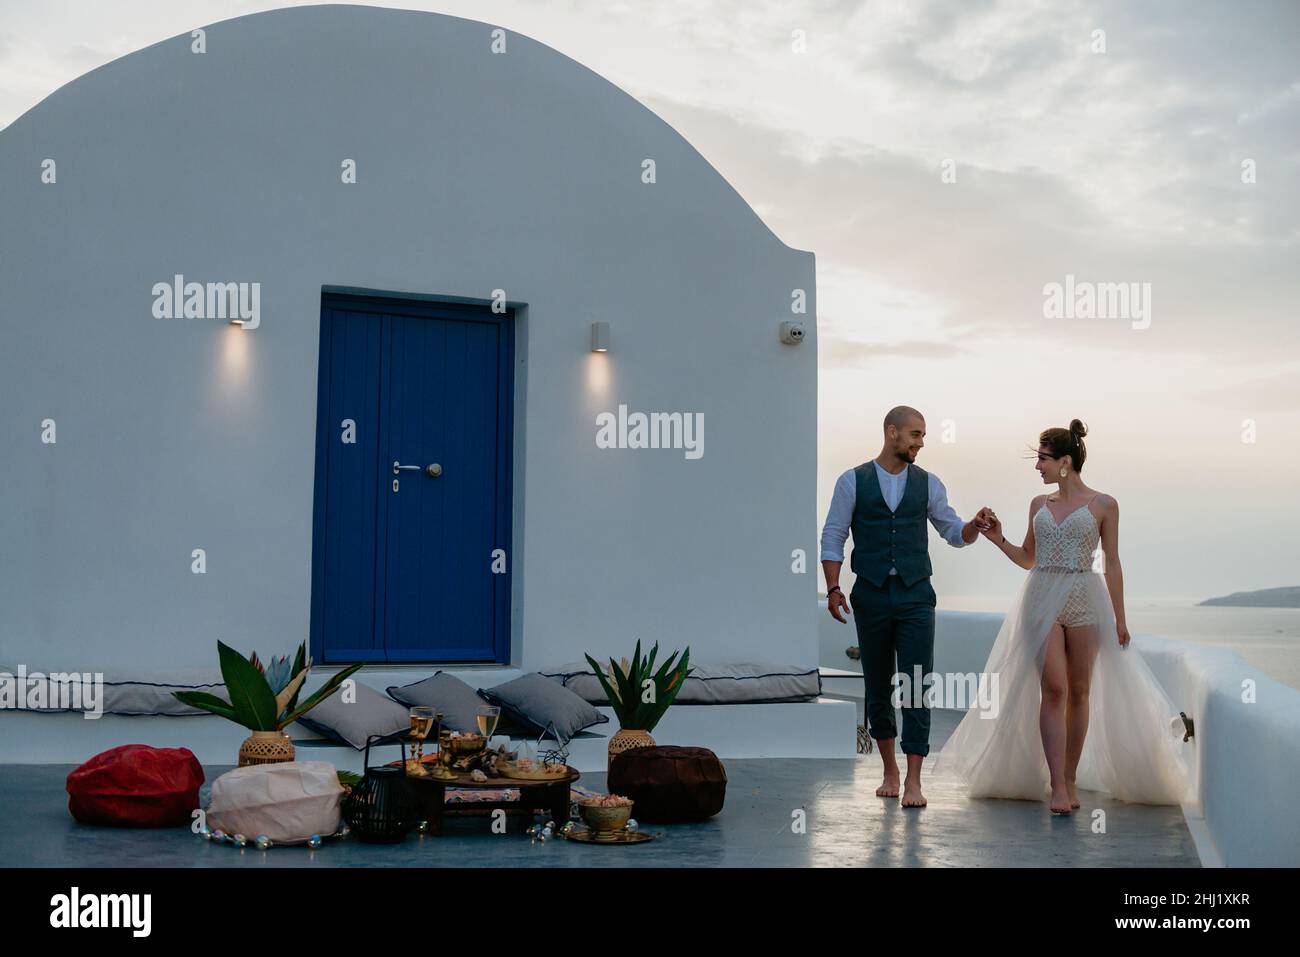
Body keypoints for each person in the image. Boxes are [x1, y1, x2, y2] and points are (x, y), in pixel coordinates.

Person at [938, 419, 1189, 813]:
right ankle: (1056, 785)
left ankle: (1070, 778)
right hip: (1041, 596)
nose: (1037, 467)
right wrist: (998, 538)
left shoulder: (1105, 504)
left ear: (1065, 462)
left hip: (1085, 596)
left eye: (1042, 459)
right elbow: (1028, 559)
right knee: (1053, 688)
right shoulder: (1039, 505)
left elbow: (1113, 564)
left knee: (1080, 691)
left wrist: (1120, 620)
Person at [821, 406, 990, 808]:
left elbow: (952, 531)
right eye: (915, 434)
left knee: (916, 682)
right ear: (891, 432)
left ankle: (914, 779)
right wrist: (833, 587)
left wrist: (974, 525)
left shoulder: (928, 484)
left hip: (916, 595)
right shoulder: (852, 481)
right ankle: (889, 771)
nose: (920, 442)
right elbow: (833, 535)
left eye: (923, 436)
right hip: (871, 594)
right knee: (878, 684)